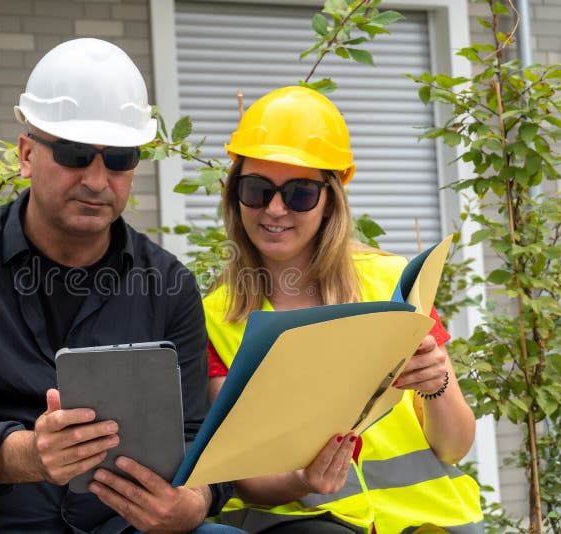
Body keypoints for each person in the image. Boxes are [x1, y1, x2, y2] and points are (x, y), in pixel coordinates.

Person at [0, 38, 241, 534]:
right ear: (27, 155)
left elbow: (198, 435)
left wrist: (194, 502)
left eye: (119, 158)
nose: (97, 180)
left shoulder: (167, 284)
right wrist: (27, 455)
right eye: (75, 153)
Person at [203, 86, 484, 533]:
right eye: (256, 189)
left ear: (330, 199)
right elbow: (244, 478)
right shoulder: (214, 318)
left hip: (430, 520)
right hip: (301, 522)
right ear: (235, 196)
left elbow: (454, 448)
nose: (274, 209)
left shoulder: (393, 284)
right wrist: (301, 481)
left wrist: (438, 385)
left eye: (299, 193)